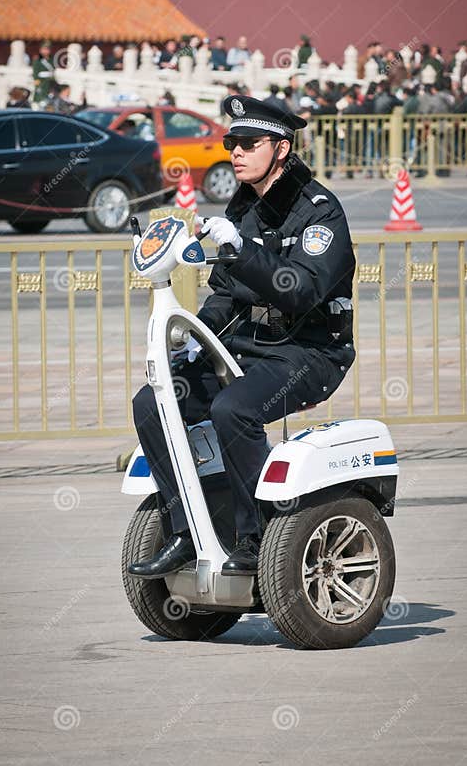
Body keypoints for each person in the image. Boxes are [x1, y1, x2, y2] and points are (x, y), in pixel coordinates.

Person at [128, 95, 356, 578]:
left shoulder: (320, 211)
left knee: (234, 409)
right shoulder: (245, 209)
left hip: (310, 351)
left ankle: (256, 536)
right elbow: (226, 295)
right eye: (232, 142)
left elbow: (303, 291)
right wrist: (199, 336)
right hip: (248, 346)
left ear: (281, 148)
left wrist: (243, 248)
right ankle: (185, 528)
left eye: (249, 143)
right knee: (153, 401)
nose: (236, 152)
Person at [32, 41, 55, 106]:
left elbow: (53, 71)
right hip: (41, 82)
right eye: (44, 49)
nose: (46, 51)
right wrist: (37, 82)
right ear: (40, 50)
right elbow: (35, 72)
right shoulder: (37, 60)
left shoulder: (52, 60)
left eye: (47, 49)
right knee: (39, 100)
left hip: (50, 82)